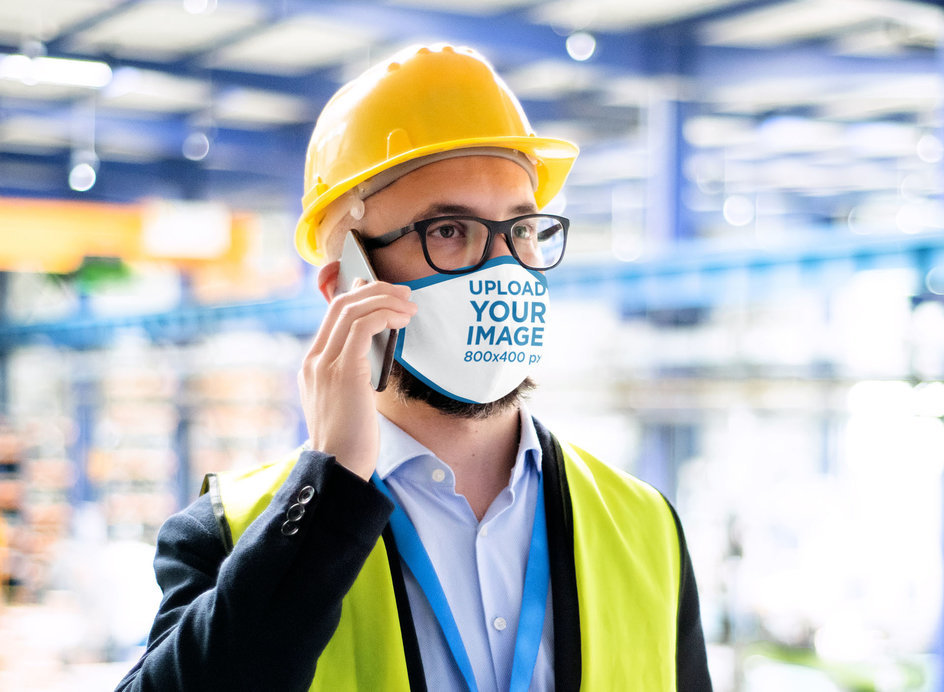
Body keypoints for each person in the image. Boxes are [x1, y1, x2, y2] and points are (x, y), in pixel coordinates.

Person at [116, 43, 712, 691]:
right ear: (348, 285)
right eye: (450, 230)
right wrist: (328, 495)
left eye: (521, 229)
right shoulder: (233, 532)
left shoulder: (644, 526)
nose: (501, 265)